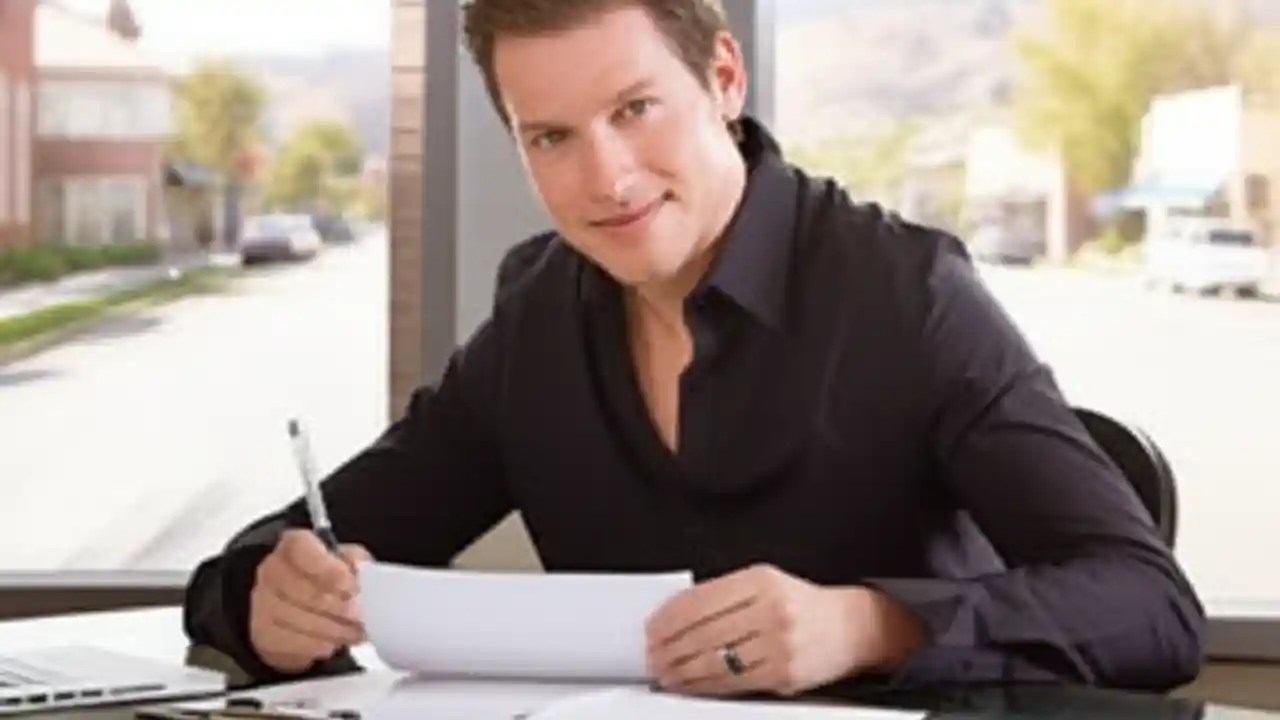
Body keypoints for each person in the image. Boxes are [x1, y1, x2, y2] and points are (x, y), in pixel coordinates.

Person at [184, 0, 1205, 697]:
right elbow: (279, 554)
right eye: (552, 137)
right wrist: (267, 604)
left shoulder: (908, 294)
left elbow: (1148, 608)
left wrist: (867, 626)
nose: (607, 177)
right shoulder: (534, 316)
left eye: (634, 109)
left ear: (721, 74)